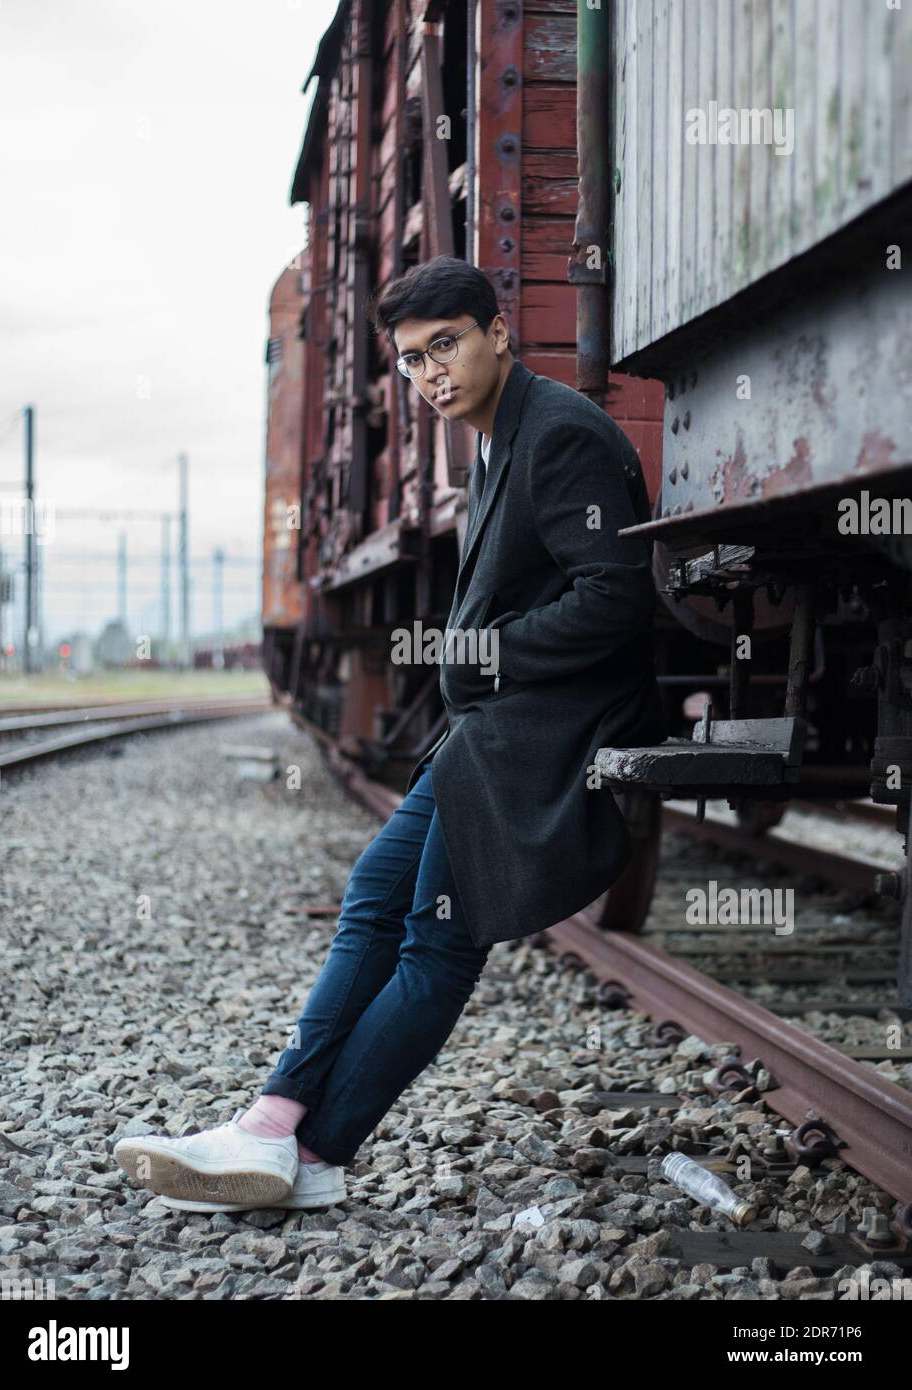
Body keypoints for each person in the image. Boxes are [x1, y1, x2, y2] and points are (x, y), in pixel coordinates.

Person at [113, 255, 666, 1213]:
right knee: (376, 889)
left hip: (545, 736)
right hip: (496, 728)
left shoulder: (560, 437)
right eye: (412, 363)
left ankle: (315, 1153)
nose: (429, 376)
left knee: (438, 943)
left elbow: (616, 601)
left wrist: (481, 653)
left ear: (497, 331)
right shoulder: (495, 439)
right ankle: (273, 1124)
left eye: (444, 346)